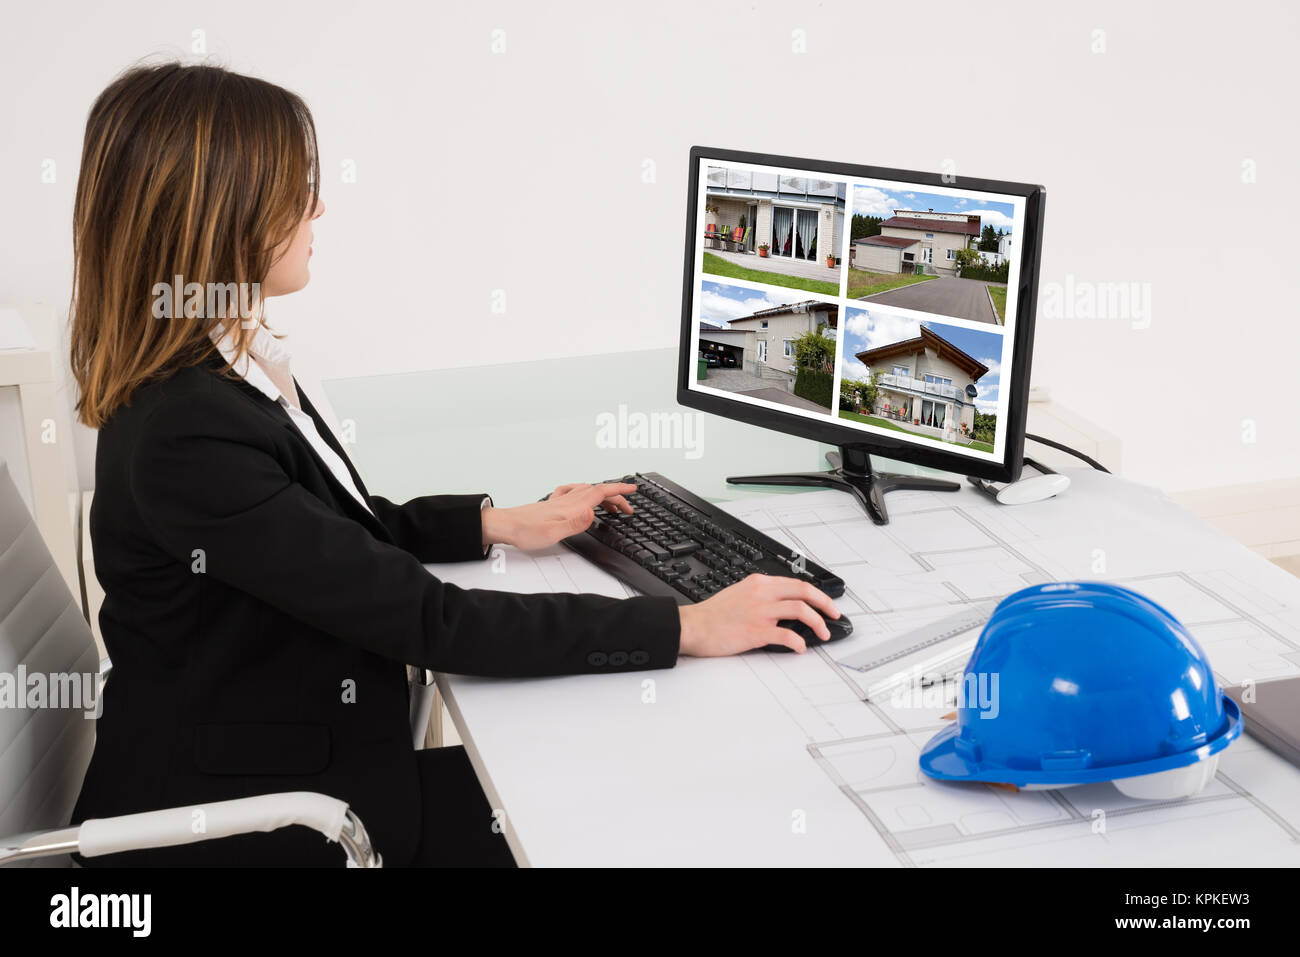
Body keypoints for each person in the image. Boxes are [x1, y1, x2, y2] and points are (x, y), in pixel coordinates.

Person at [66, 61, 840, 867]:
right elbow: (431, 621)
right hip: (243, 826)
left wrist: (496, 522)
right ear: (222, 216)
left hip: (286, 761)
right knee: (627, 814)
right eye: (296, 189)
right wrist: (687, 624)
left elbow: (325, 531)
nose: (318, 206)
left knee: (608, 783)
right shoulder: (186, 433)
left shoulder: (220, 372)